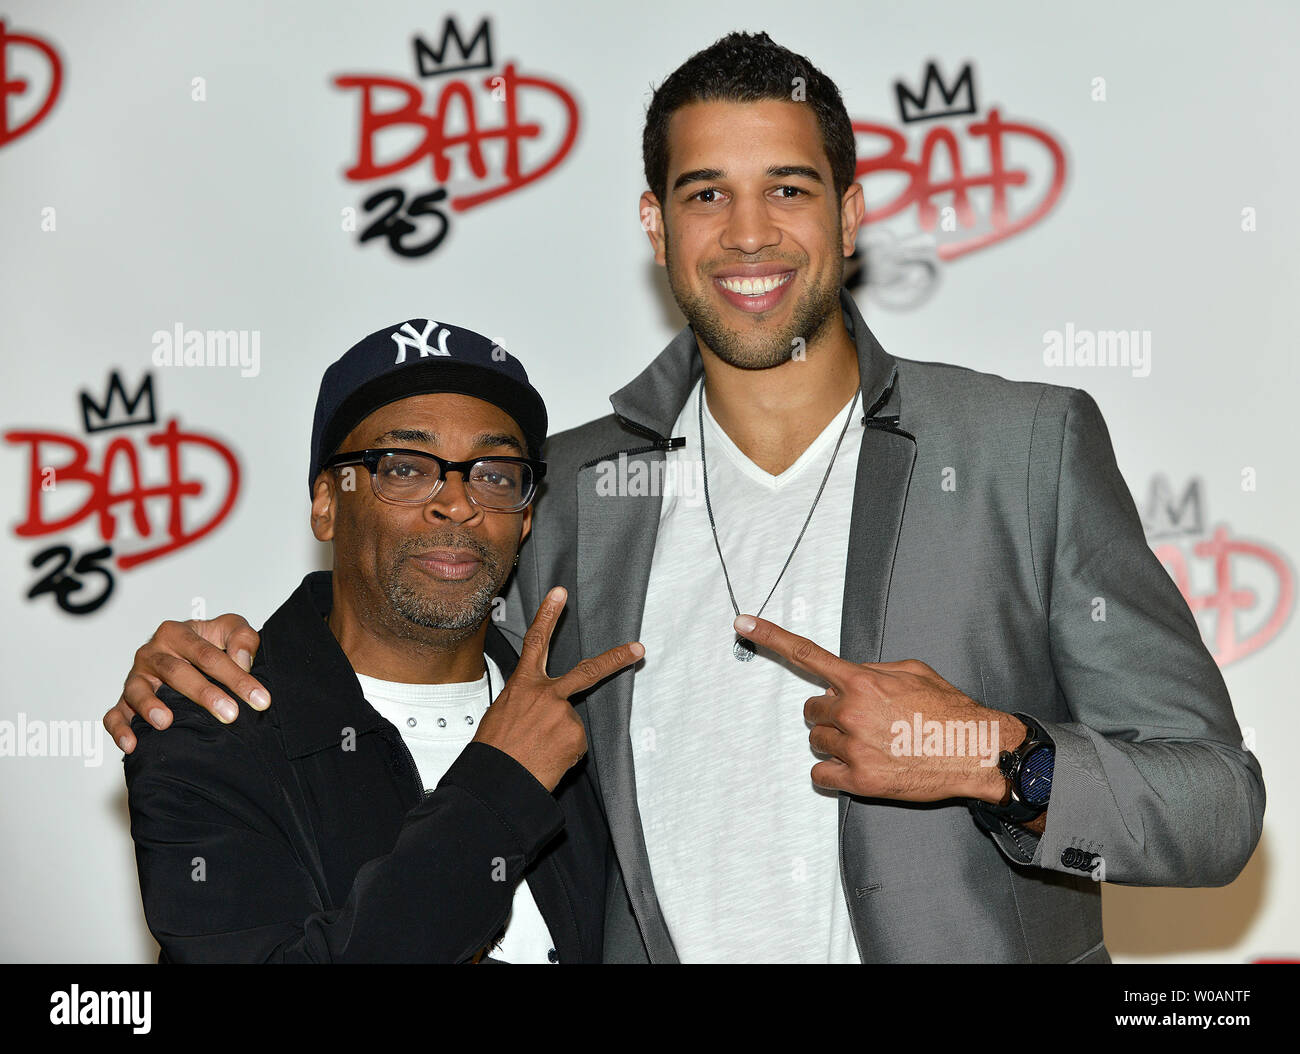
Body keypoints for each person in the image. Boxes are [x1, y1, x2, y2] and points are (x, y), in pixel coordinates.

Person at [107, 32, 1264, 964]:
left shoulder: (1022, 447)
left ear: (851, 217)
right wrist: (205, 665)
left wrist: (988, 752)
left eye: (789, 189)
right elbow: (413, 638)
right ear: (656, 226)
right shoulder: (566, 490)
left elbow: (1214, 809)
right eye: (706, 193)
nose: (748, 233)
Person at [122, 319, 641, 962]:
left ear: (526, 516)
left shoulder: (593, 713)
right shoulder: (206, 731)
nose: (457, 502)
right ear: (326, 505)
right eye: (403, 467)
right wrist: (502, 785)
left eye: (495, 475)